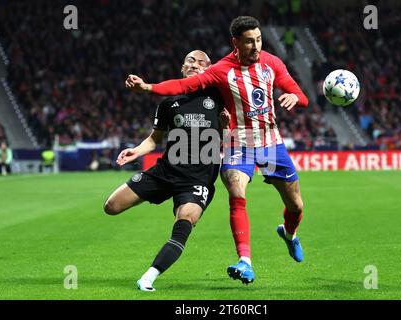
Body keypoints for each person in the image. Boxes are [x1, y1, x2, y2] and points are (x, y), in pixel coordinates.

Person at [125, 16, 309, 285]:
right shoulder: (222, 69)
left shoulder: (272, 63)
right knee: (235, 186)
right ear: (236, 43)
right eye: (249, 41)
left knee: (295, 205)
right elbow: (182, 86)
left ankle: (289, 234)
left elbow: (300, 95)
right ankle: (245, 261)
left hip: (271, 143)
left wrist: (295, 97)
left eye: (258, 39)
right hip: (238, 142)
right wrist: (148, 87)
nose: (256, 46)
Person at [105, 50, 228, 292]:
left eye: (201, 63)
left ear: (210, 69)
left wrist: (226, 127)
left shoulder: (219, 97)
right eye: (190, 61)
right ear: (183, 68)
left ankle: (149, 276)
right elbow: (154, 139)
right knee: (111, 206)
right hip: (165, 171)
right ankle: (152, 194)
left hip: (198, 179)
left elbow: (231, 133)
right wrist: (137, 151)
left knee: (184, 221)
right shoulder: (168, 103)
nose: (195, 65)